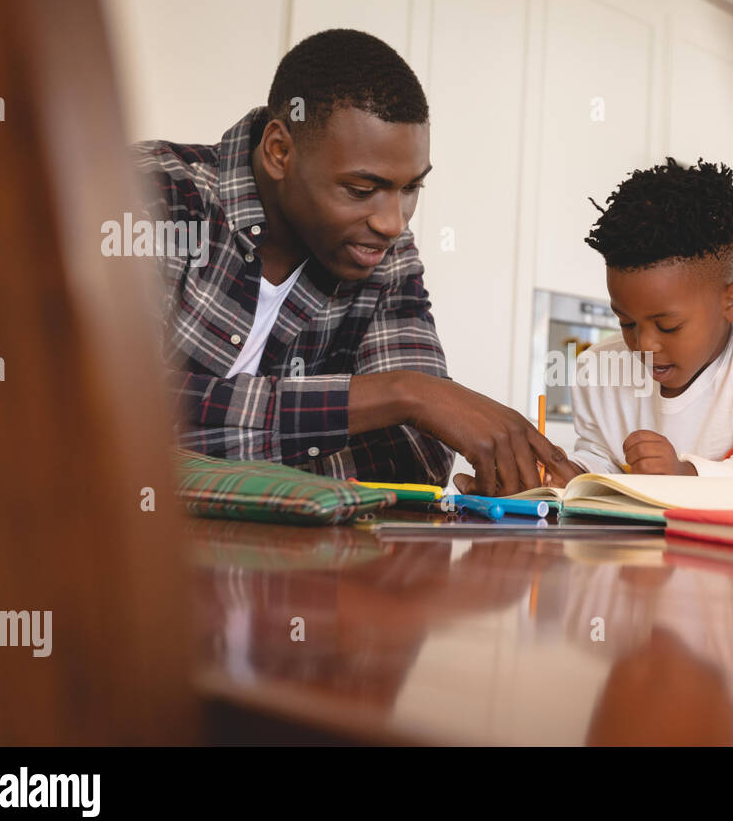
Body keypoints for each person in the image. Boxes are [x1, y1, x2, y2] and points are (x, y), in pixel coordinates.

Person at [130, 29, 581, 495]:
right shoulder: (148, 196)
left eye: (411, 189)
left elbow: (416, 456)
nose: (392, 223)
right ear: (280, 151)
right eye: (362, 190)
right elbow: (102, 413)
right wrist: (403, 395)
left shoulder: (384, 256)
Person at [566, 158, 733, 479]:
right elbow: (598, 457)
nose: (644, 344)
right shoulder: (597, 367)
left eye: (668, 326)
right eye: (626, 322)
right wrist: (566, 471)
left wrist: (686, 475)